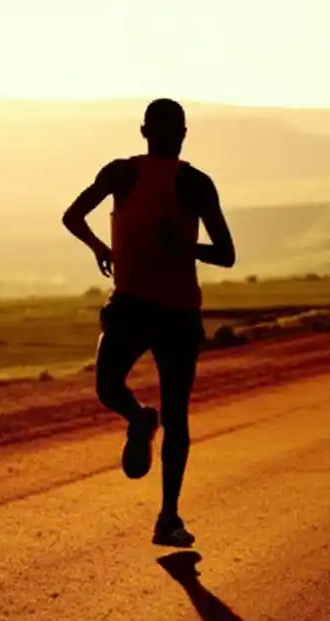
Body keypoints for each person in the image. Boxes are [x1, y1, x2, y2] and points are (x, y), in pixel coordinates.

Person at [62, 98, 236, 548]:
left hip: (150, 308)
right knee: (166, 413)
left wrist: (105, 246)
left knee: (114, 388)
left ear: (147, 131)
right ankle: (163, 500)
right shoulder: (183, 181)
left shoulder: (138, 176)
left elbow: (73, 216)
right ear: (181, 133)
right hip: (164, 310)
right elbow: (226, 254)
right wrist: (109, 248)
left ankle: (146, 441)